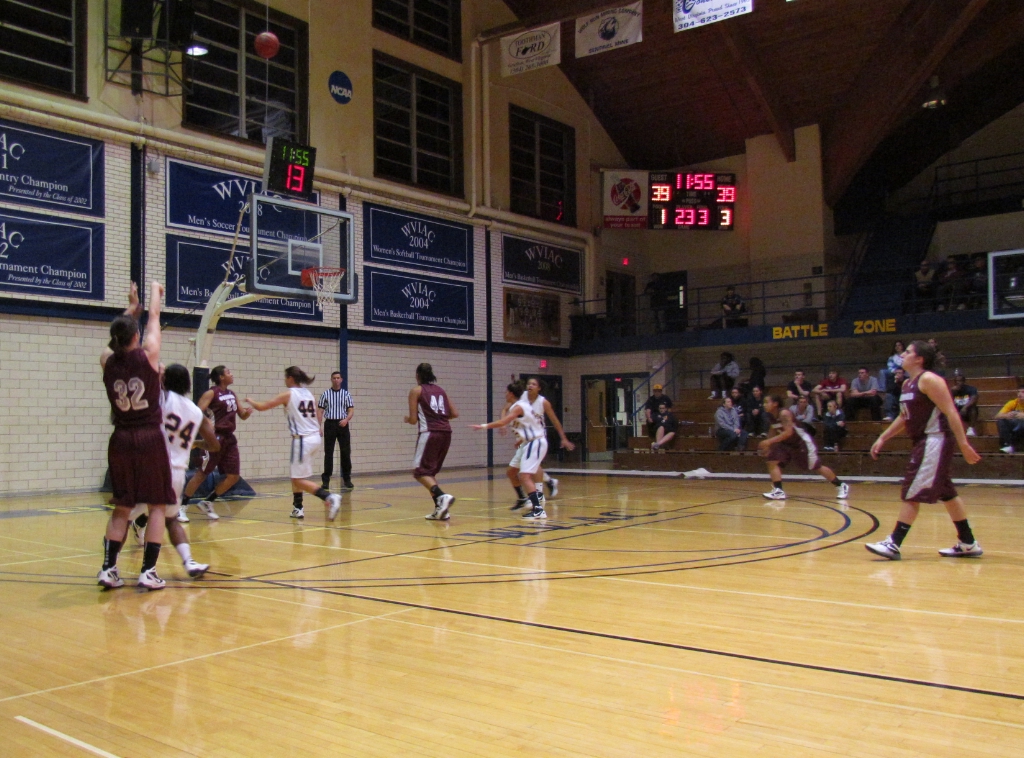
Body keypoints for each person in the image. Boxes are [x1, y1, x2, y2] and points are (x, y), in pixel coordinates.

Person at [865, 340, 983, 560]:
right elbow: (904, 416)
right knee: (947, 493)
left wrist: (964, 444)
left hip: (935, 440)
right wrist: (883, 437)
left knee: (912, 490)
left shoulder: (930, 380)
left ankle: (893, 543)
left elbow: (951, 412)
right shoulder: (907, 384)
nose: (902, 355)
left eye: (908, 352)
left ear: (919, 359)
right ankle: (968, 542)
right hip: (922, 441)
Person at [98, 281, 174, 591]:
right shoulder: (148, 355)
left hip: (120, 439)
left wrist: (132, 307)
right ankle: (148, 571)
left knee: (122, 507)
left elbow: (117, 335)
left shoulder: (107, 360)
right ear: (135, 336)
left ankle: (108, 569)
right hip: (148, 437)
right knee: (157, 505)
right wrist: (156, 290)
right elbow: (154, 316)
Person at [131, 364, 221, 578]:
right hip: (177, 472)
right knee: (169, 519)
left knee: (126, 515)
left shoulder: (160, 399)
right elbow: (214, 445)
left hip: (153, 465)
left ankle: (111, 565)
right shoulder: (196, 412)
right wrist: (194, 444)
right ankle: (188, 562)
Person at [245, 367, 342, 521]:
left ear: (290, 378)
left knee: (298, 479)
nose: (285, 380)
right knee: (297, 475)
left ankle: (329, 497)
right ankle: (298, 508)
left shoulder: (288, 394)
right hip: (314, 437)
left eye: (286, 377)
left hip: (303, 439)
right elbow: (315, 414)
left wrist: (250, 401)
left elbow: (262, 407)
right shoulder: (308, 394)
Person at [474, 377, 573, 520]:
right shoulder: (523, 404)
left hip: (536, 442)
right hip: (530, 441)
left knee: (525, 475)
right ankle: (533, 502)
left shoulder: (521, 406)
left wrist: (482, 426)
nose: (505, 394)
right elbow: (530, 424)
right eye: (529, 384)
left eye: (506, 392)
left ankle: (538, 505)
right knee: (520, 474)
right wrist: (522, 438)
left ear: (511, 394)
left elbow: (503, 422)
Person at [179, 365, 252, 522]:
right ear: (221, 377)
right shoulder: (211, 393)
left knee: (233, 476)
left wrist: (247, 413)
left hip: (229, 439)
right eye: (228, 372)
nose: (232, 374)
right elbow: (197, 411)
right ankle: (182, 506)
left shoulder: (232, 394)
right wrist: (207, 422)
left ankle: (208, 502)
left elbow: (242, 415)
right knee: (202, 474)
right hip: (214, 437)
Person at [758, 394, 849, 501]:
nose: (764, 405)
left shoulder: (784, 413)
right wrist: (769, 446)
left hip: (801, 442)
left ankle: (841, 485)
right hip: (786, 443)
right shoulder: (770, 415)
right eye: (764, 402)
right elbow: (773, 429)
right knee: (772, 460)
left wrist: (768, 441)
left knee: (815, 466)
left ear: (775, 403)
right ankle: (778, 491)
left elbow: (788, 432)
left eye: (767, 402)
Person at [405, 363, 459, 520]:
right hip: (446, 433)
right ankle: (440, 509)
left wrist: (407, 419)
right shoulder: (441, 390)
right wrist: (439, 417)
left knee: (419, 471)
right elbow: (454, 413)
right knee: (430, 473)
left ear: (417, 375)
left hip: (430, 433)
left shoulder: (416, 391)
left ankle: (441, 496)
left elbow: (414, 420)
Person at [319, 371, 354, 491]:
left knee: (345, 452)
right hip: (330, 424)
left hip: (342, 424)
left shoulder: (346, 394)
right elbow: (320, 411)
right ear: (331, 379)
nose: (336, 380)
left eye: (338, 378)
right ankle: (326, 480)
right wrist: (318, 426)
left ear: (341, 380)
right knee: (328, 453)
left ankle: (347, 478)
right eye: (334, 378)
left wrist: (346, 419)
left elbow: (351, 410)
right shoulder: (325, 394)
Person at [994, 386, 1024, 453]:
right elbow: (997, 416)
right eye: (1018, 392)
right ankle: (1007, 445)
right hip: (1017, 426)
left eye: (1023, 392)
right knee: (1001, 421)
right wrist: (1007, 415)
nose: (1019, 394)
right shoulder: (1013, 402)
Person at [950, 370, 979, 437]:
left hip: (967, 410)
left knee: (973, 408)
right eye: (957, 381)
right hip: (956, 410)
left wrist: (965, 407)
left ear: (964, 381)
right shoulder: (952, 390)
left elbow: (974, 398)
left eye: (961, 381)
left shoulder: (971, 389)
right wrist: (951, 392)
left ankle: (971, 429)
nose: (959, 383)